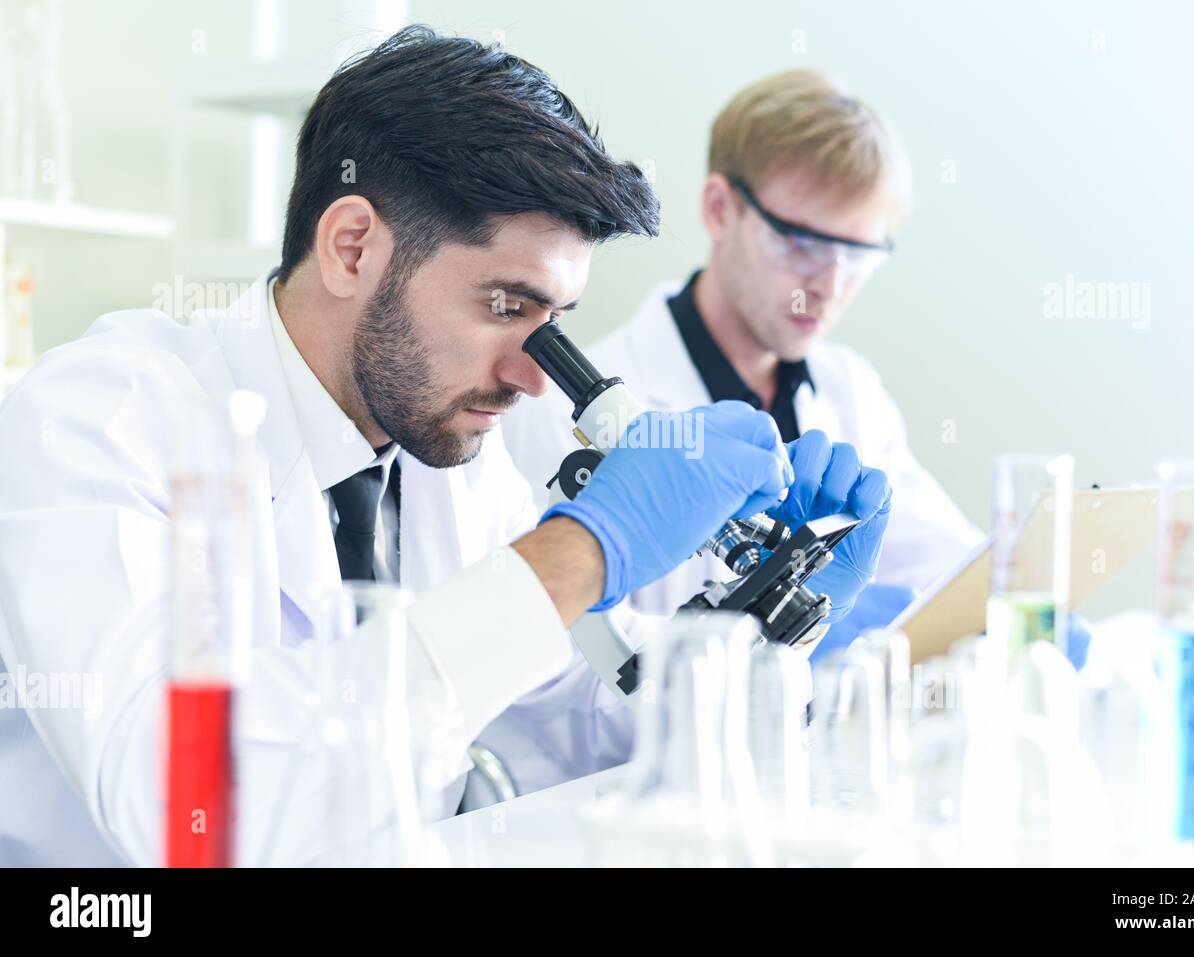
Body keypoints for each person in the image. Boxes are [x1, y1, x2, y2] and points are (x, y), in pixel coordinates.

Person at [0, 28, 891, 866]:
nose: (537, 375)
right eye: (507, 305)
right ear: (353, 247)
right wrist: (582, 549)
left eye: (556, 324)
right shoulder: (102, 418)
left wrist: (759, 630)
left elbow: (567, 730)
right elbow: (188, 813)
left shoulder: (441, 456)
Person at [504, 70, 982, 657]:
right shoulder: (548, 413)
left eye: (858, 257)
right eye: (804, 244)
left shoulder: (849, 389)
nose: (830, 286)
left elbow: (960, 570)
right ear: (720, 209)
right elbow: (553, 691)